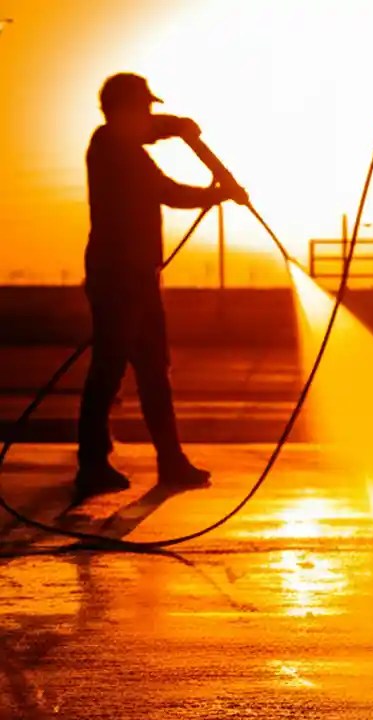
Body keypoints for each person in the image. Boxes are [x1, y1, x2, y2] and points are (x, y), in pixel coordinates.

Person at [75, 72, 246, 497]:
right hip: (118, 279)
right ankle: (93, 463)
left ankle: (170, 461)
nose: (150, 115)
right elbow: (166, 191)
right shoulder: (113, 150)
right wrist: (217, 195)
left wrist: (179, 126)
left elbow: (154, 131)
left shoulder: (122, 145)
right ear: (126, 109)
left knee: (154, 372)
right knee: (109, 369)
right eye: (144, 107)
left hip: (139, 277)